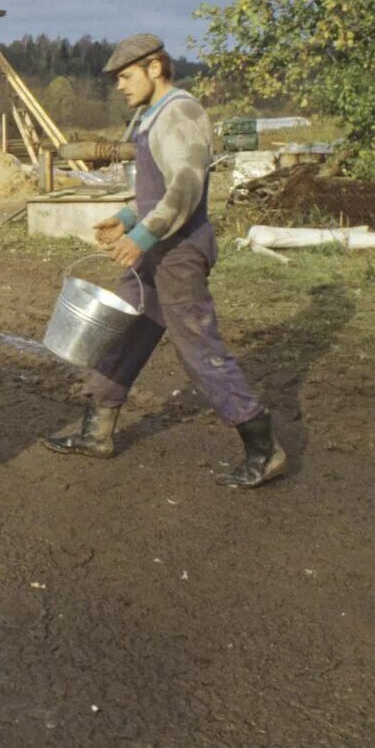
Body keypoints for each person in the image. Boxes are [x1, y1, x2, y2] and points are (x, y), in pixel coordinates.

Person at [41, 33, 287, 488]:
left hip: (179, 254)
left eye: (126, 75)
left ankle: (262, 444)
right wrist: (125, 217)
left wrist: (142, 236)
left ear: (155, 68)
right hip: (153, 249)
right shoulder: (150, 117)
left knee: (197, 346)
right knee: (123, 330)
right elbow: (156, 191)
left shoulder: (181, 112)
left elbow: (186, 188)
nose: (120, 85)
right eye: (117, 78)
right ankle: (97, 431)